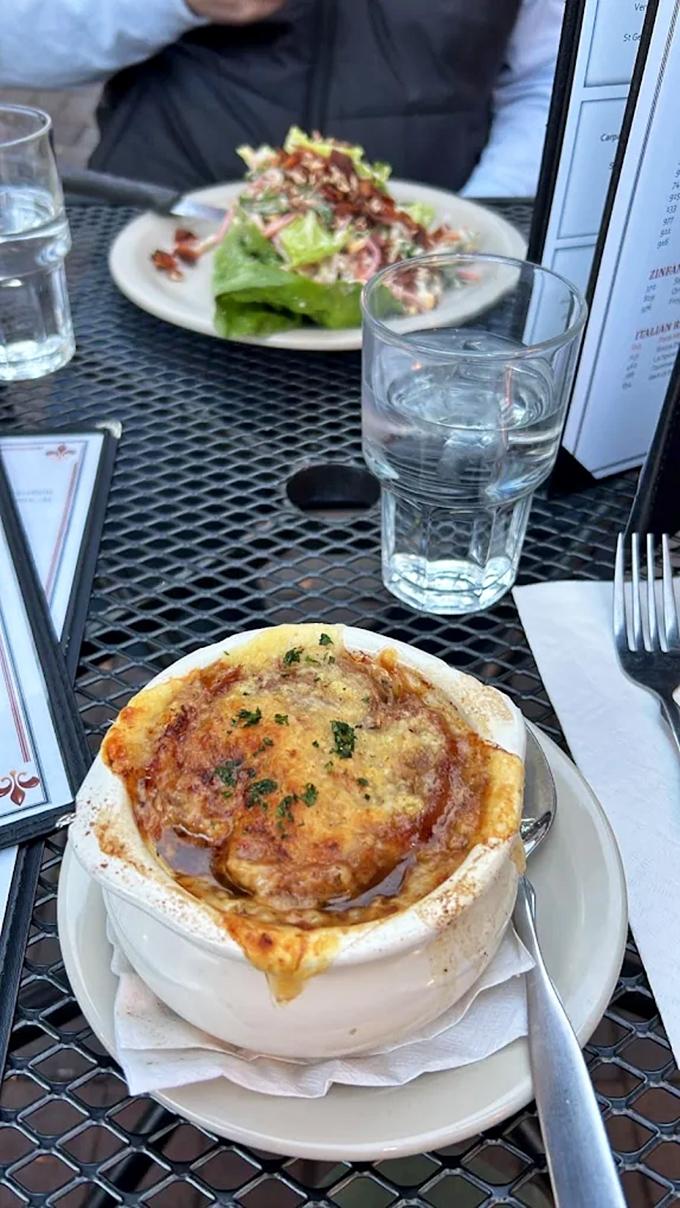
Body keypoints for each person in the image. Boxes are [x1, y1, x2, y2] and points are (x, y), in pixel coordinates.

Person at [0, 0, 565, 197]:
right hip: (164, 245)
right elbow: (14, 41)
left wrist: (478, 225)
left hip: (425, 292)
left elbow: (550, 81)